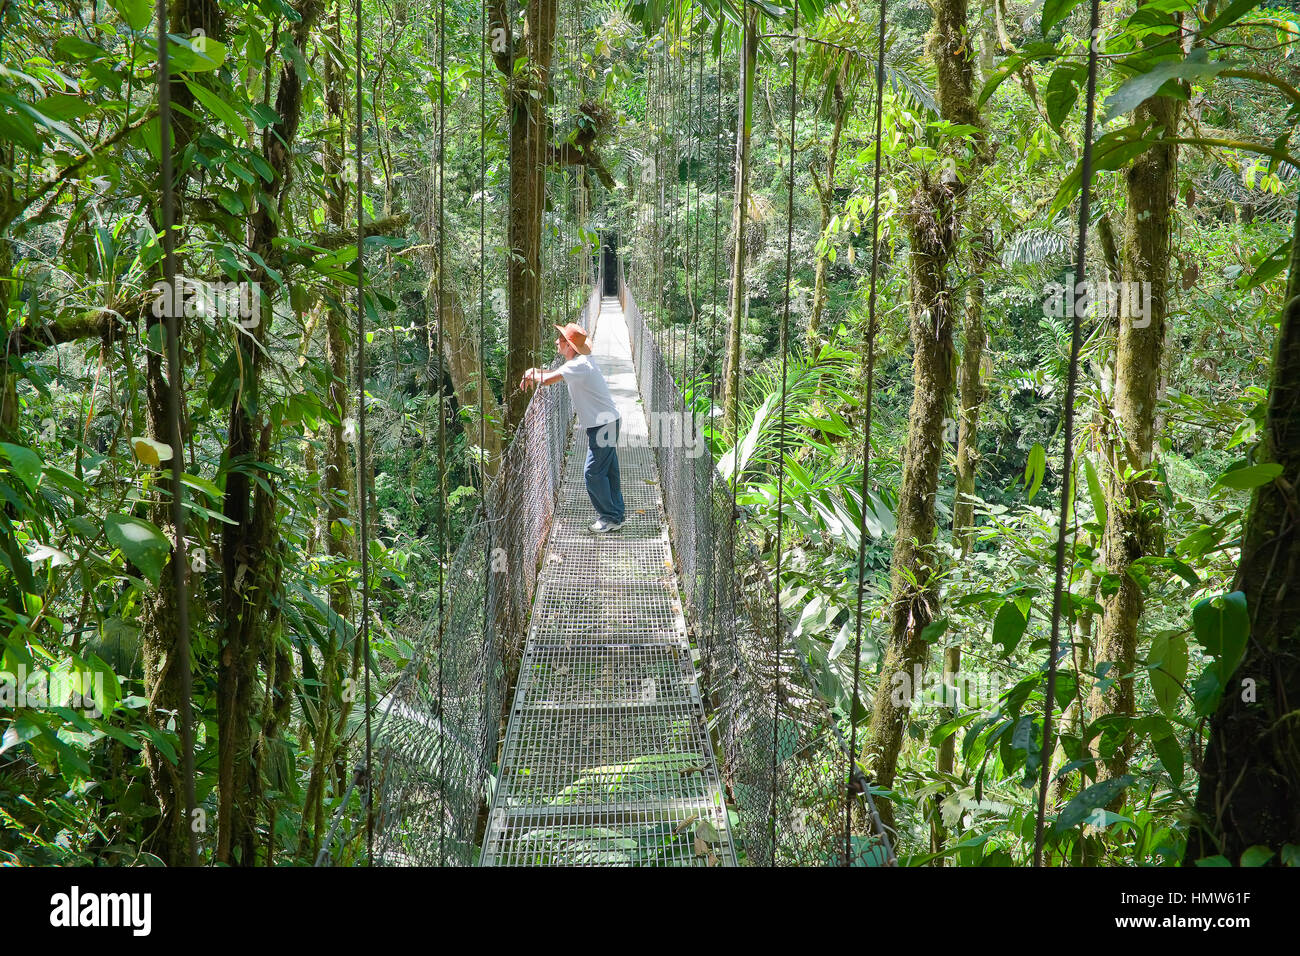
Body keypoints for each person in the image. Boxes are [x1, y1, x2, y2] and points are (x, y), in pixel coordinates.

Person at [520, 322, 626, 532]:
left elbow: (549, 379)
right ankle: (616, 514)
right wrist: (533, 370)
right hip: (608, 422)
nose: (556, 343)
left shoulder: (577, 365)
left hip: (603, 426)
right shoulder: (581, 362)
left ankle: (610, 517)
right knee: (609, 471)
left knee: (593, 473)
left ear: (569, 346)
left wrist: (531, 374)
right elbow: (555, 372)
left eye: (560, 340)